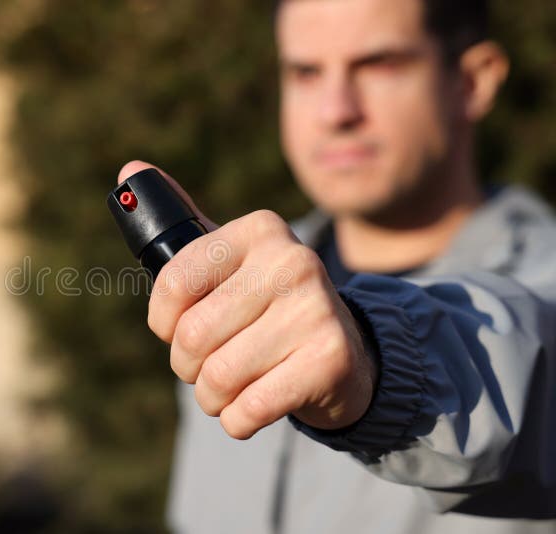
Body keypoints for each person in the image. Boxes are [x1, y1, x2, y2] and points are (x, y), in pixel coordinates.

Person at [115, 0, 556, 532]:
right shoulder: (232, 284)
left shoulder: (542, 282)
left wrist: (376, 364)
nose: (335, 110)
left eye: (379, 65)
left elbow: (530, 366)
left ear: (473, 81)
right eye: (306, 72)